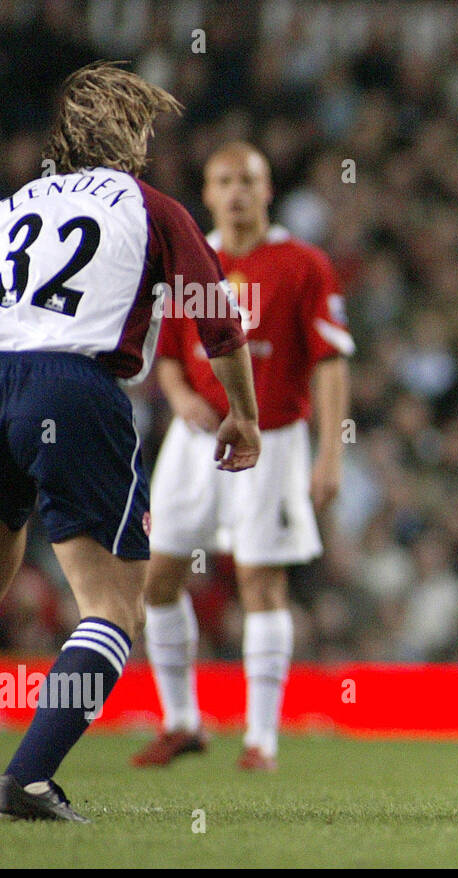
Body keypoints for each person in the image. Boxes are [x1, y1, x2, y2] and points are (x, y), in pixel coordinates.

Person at [0, 63, 259, 822]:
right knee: (115, 609)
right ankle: (28, 777)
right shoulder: (150, 207)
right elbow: (217, 317)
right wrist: (242, 414)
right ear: (130, 133)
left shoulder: (15, 203)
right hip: (73, 389)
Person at [130, 142, 353, 772]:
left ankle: (261, 738)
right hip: (195, 441)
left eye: (247, 181)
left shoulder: (303, 264)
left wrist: (329, 453)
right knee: (157, 577)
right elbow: (168, 355)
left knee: (261, 581)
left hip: (274, 439)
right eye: (223, 180)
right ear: (206, 192)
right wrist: (179, 399)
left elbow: (331, 361)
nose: (236, 192)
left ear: (268, 190)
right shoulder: (189, 261)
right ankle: (182, 722)